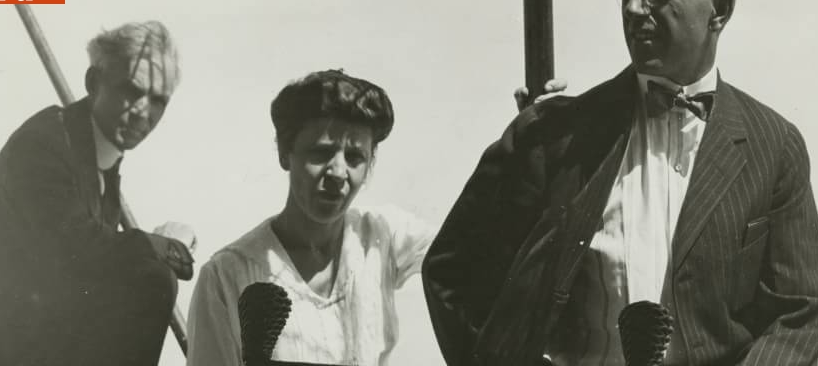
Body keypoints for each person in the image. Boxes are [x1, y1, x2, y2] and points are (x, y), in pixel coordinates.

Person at [422, 0, 818, 366]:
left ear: (720, 10)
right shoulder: (554, 136)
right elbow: (453, 274)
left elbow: (803, 309)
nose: (635, 8)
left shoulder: (774, 146)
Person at [185, 70, 565, 366]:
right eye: (321, 152)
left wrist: (528, 145)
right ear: (285, 154)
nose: (337, 173)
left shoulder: (381, 234)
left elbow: (475, 250)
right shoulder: (226, 276)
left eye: (355, 158)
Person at [0, 20, 198, 366]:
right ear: (93, 83)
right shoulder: (46, 141)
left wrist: (154, 246)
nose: (144, 111)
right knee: (152, 278)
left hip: (30, 330)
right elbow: (74, 250)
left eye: (158, 101)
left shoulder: (99, 158)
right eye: (132, 90)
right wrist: (160, 245)